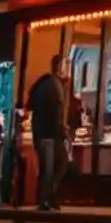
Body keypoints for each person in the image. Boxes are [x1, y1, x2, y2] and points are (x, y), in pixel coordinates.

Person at [28, 54, 69, 211]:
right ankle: (45, 199)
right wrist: (59, 128)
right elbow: (50, 112)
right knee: (50, 167)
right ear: (59, 67)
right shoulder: (51, 86)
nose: (68, 69)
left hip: (49, 133)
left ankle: (48, 197)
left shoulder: (51, 84)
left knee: (57, 164)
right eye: (66, 65)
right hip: (47, 134)